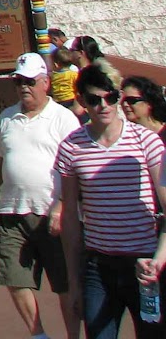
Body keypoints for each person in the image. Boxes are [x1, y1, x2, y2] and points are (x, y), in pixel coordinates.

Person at [55, 58, 166, 339]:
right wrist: (73, 279)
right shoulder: (71, 146)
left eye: (111, 97)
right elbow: (69, 216)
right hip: (98, 266)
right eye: (94, 100)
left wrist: (159, 261)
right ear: (82, 100)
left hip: (144, 264)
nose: (104, 106)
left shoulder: (146, 141)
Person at [0, 52, 81, 339]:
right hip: (12, 211)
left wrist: (63, 207)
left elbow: (75, 170)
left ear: (46, 83)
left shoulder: (64, 119)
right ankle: (38, 334)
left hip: (52, 214)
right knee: (13, 277)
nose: (23, 87)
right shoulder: (6, 118)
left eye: (29, 81)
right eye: (18, 81)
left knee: (65, 284)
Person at [50, 47, 80, 111]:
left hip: (57, 102)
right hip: (71, 100)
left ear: (56, 64)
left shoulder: (53, 76)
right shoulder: (74, 74)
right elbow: (78, 88)